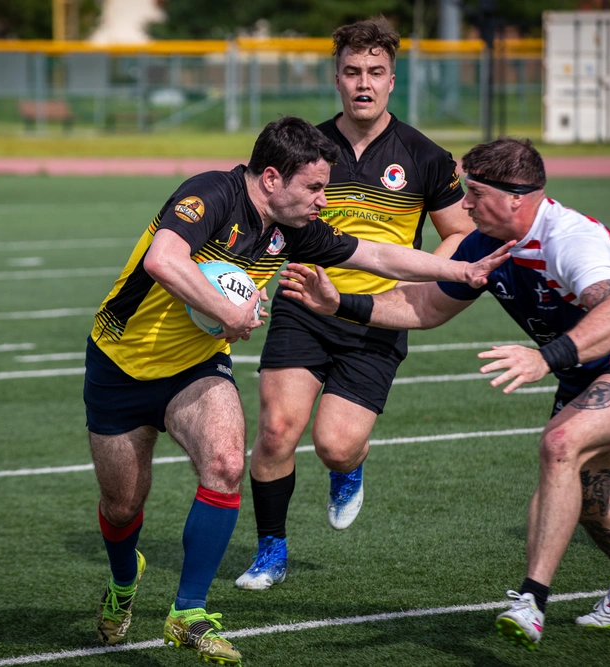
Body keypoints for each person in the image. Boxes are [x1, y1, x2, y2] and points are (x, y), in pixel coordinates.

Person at [86, 116, 510, 665]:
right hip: (119, 365)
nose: (323, 200)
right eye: (313, 187)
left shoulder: (292, 228)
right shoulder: (210, 194)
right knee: (123, 507)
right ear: (271, 179)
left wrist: (460, 271)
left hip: (196, 368)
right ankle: (124, 581)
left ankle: (187, 613)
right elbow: (163, 260)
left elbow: (377, 254)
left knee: (225, 463)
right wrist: (227, 311)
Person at [276, 137, 610, 649]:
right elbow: (424, 307)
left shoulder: (569, 237)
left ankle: (531, 600)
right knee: (587, 496)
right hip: (585, 371)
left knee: (560, 444)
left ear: (516, 197)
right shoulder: (484, 244)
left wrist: (544, 358)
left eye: (474, 193)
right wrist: (339, 303)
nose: (464, 205)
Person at [236, 16, 475, 591]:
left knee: (336, 446)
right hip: (303, 301)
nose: (363, 82)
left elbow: (462, 234)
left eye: (375, 71)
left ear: (393, 79)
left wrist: (417, 292)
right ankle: (271, 550)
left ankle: (350, 466)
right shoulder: (306, 150)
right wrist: (244, 282)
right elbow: (263, 215)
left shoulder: (426, 156)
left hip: (377, 316)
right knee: (276, 430)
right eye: (351, 71)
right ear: (336, 77)